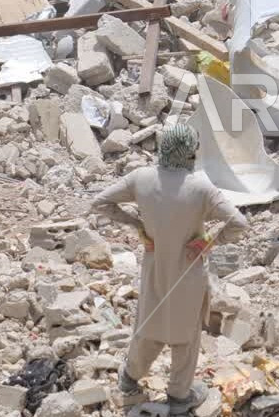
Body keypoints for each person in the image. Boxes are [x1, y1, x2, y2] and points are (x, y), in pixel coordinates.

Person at [92, 124, 250, 415]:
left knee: (149, 323)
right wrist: (208, 242)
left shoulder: (140, 178)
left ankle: (129, 379)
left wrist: (137, 224)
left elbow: (100, 202)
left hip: (154, 266)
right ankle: (179, 397)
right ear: (190, 151)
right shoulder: (201, 186)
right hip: (188, 271)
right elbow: (239, 223)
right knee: (185, 334)